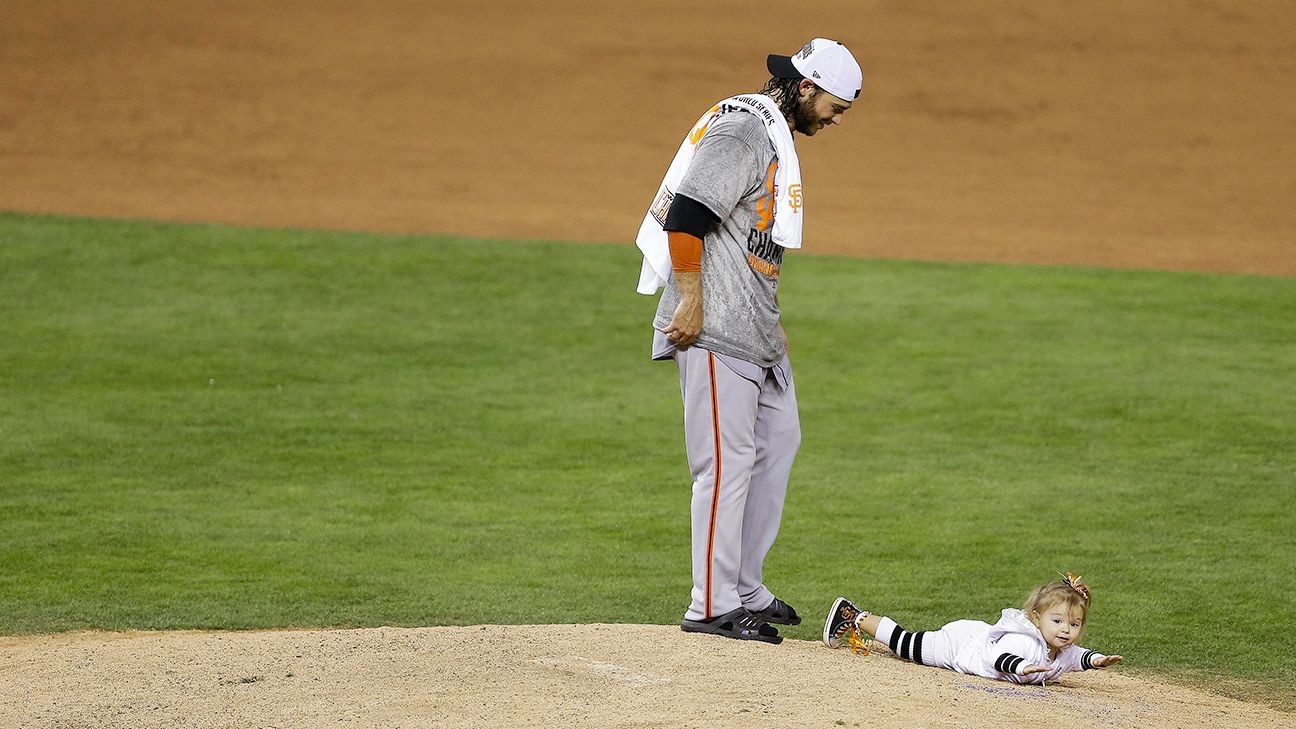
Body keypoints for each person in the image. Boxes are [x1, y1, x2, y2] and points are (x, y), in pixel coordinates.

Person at [633, 39, 863, 645]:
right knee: (724, 465)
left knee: (779, 442)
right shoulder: (744, 131)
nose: (836, 121)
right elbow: (686, 214)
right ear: (806, 89)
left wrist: (771, 321)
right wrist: (689, 299)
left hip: (757, 330)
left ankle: (743, 585)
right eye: (835, 108)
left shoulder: (777, 140)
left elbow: (753, 243)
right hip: (714, 328)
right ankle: (710, 602)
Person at [822, 573, 1125, 684]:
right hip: (961, 646)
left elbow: (1079, 657)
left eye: (1073, 624)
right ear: (1036, 618)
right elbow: (1001, 659)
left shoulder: (1061, 649)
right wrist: (1022, 668)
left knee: (906, 643)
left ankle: (855, 616)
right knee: (905, 644)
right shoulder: (1025, 643)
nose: (1065, 630)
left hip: (974, 638)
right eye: (1057, 621)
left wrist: (1099, 660)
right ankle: (854, 615)